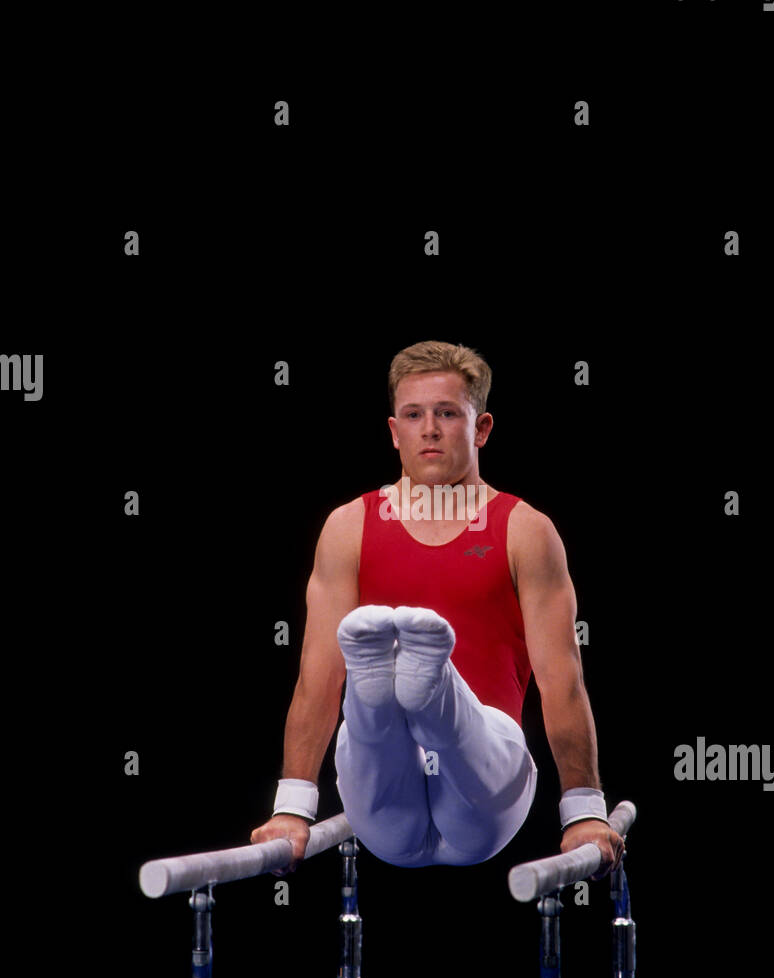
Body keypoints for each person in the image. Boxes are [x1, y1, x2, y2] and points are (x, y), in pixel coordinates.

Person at [250, 340, 623, 878]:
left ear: (482, 428)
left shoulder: (525, 531)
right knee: (368, 724)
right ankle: (389, 687)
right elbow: (318, 679)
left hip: (489, 777)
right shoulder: (348, 528)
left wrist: (584, 810)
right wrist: (292, 807)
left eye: (448, 413)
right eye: (414, 415)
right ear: (393, 431)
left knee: (463, 728)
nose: (430, 429)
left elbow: (562, 681)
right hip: (385, 798)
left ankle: (425, 683)